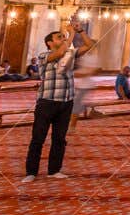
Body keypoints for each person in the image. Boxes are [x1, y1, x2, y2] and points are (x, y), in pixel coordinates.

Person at [23, 19, 94, 182]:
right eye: (59, 37)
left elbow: (89, 45)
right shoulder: (44, 56)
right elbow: (61, 53)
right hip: (47, 102)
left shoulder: (70, 54)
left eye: (63, 37)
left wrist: (80, 31)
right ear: (49, 43)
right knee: (38, 138)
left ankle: (54, 170)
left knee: (60, 139)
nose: (63, 39)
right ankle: (31, 172)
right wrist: (71, 34)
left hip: (66, 102)